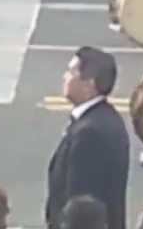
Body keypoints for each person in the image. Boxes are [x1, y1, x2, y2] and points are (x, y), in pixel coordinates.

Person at [46, 46, 130, 229]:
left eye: (71, 72)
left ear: (89, 83)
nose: (64, 77)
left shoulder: (89, 134)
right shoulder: (105, 117)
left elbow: (80, 205)